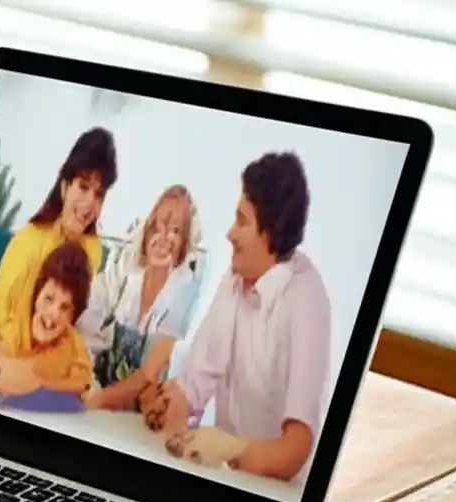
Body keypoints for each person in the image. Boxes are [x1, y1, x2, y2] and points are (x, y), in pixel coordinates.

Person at [140, 152, 331, 481]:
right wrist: (172, 405)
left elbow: (295, 450)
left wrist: (231, 449)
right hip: (226, 482)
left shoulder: (307, 300)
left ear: (270, 233)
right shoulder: (236, 277)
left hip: (277, 494)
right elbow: (196, 381)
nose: (229, 233)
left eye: (242, 221)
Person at [0, 127, 117, 349]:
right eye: (83, 187)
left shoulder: (93, 249)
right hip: (4, 349)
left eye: (99, 195)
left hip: (51, 352)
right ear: (65, 187)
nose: (90, 203)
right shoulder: (29, 240)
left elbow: (71, 316)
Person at [83, 185, 202, 411]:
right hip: (96, 394)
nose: (163, 238)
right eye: (157, 227)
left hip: (140, 414)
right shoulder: (124, 273)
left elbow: (151, 372)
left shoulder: (184, 289)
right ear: (147, 232)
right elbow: (90, 321)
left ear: (185, 243)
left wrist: (98, 401)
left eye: (175, 231)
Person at [0, 242, 93, 405]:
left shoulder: (72, 346)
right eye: (49, 299)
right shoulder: (15, 327)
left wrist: (13, 381)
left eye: (65, 307)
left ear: (73, 317)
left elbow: (80, 385)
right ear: (36, 295)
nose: (54, 313)